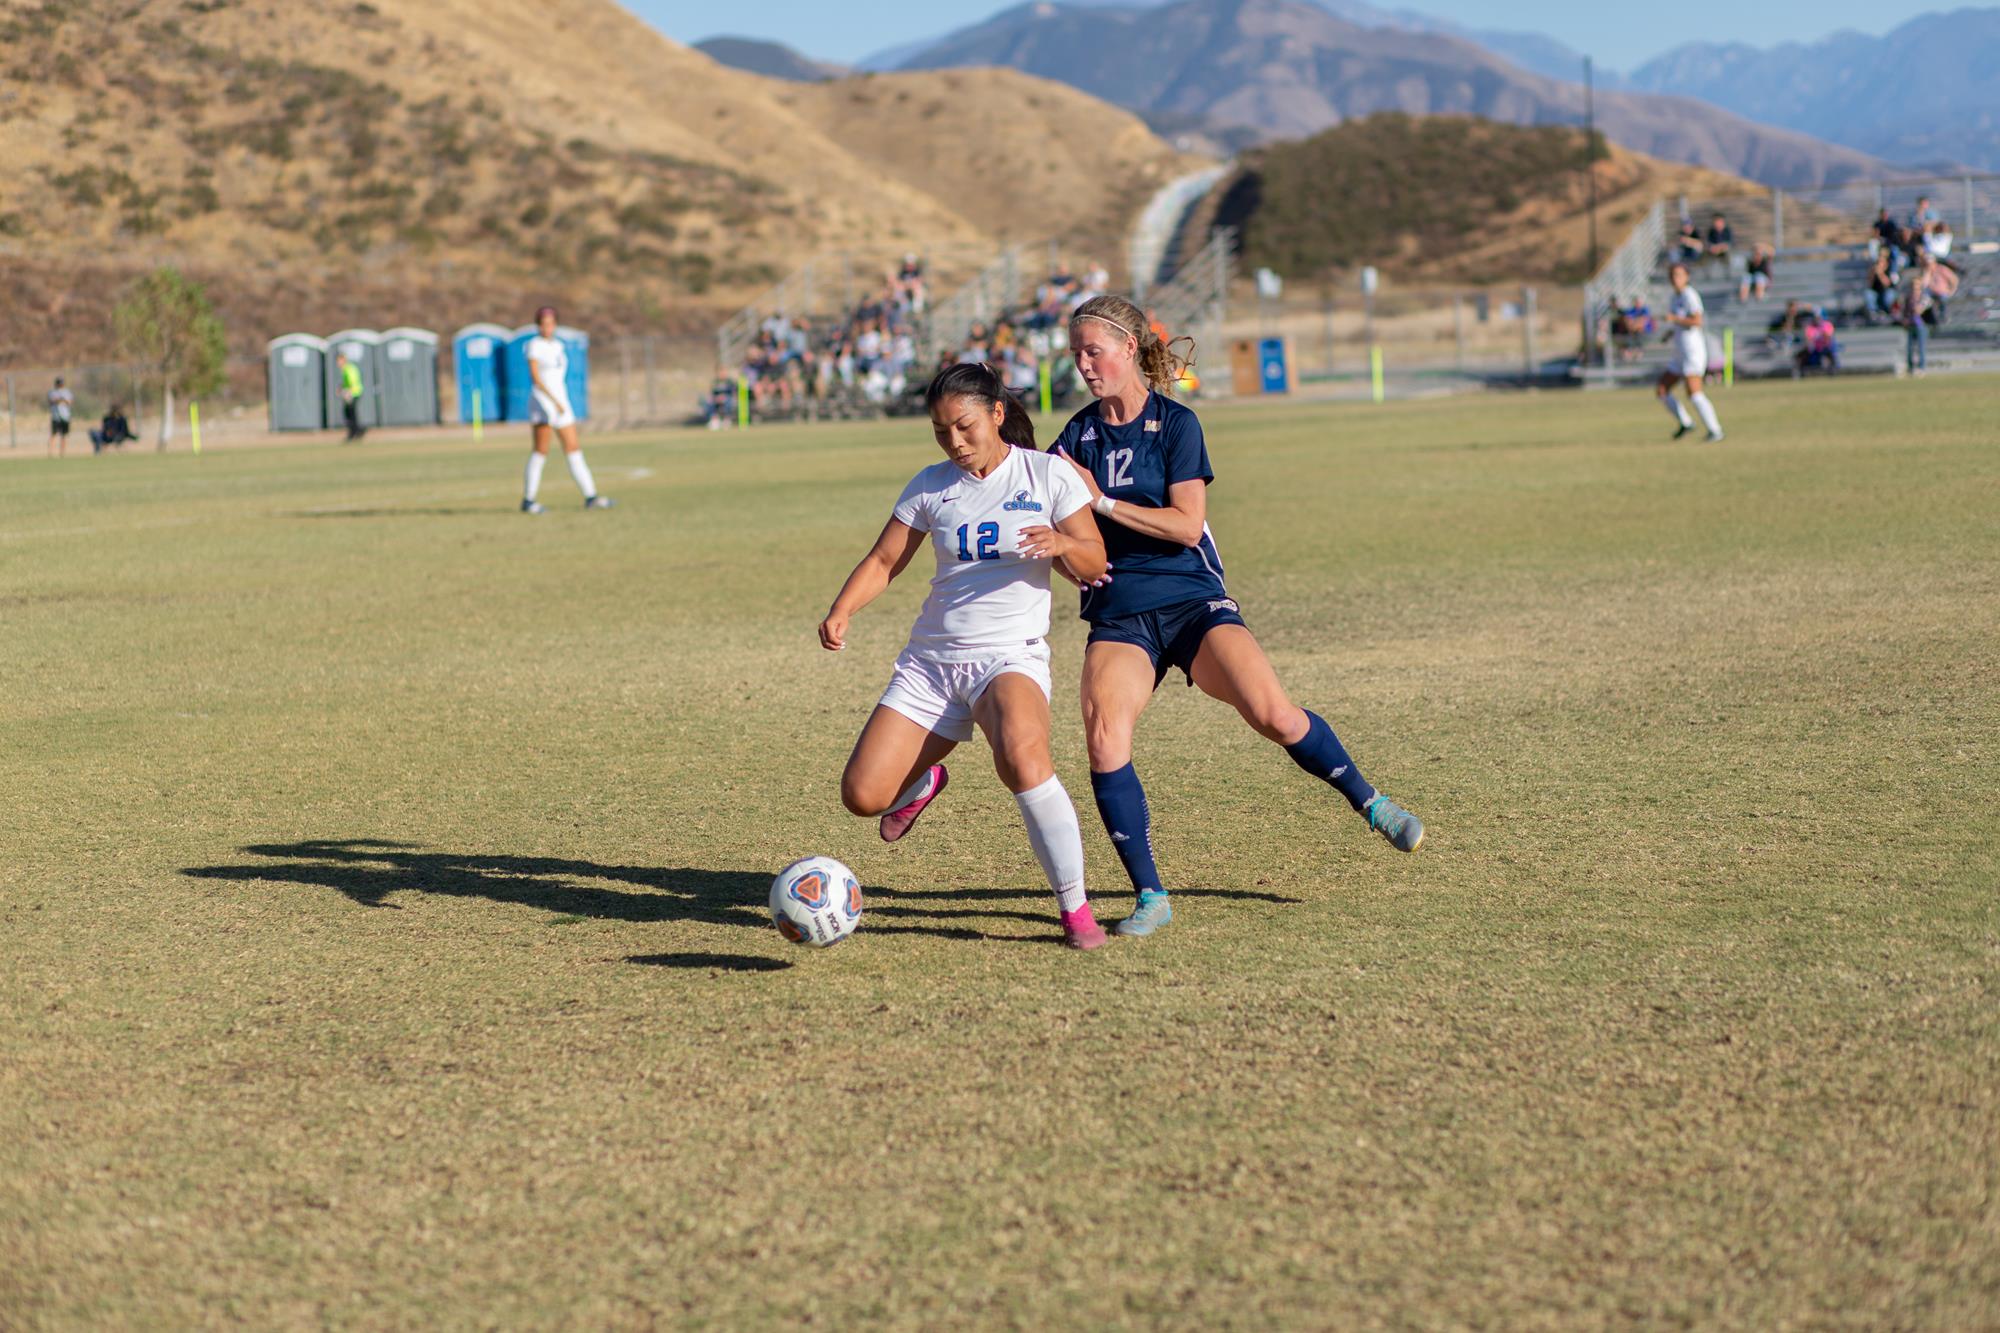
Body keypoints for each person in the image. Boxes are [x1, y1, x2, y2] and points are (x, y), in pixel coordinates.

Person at [1044, 294, 1424, 938]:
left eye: (1093, 351)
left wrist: (1102, 503)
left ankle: (1371, 801)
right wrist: (1073, 560)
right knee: (1105, 739)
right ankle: (1150, 897)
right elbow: (1057, 534)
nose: (1082, 364)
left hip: (1192, 600)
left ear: (1129, 348)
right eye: (1076, 352)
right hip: (1120, 614)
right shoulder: (1073, 437)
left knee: (1274, 713)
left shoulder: (1178, 424)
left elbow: (1187, 525)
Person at [818, 362, 1111, 950]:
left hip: (1008, 658)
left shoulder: (1048, 476)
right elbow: (883, 562)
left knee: (1024, 759)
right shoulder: (930, 486)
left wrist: (1063, 543)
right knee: (863, 796)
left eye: (964, 426)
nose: (954, 441)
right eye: (940, 431)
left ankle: (1075, 909)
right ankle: (922, 783)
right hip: (929, 665)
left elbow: (1097, 563)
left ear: (997, 414)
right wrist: (843, 609)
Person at [519, 306, 612, 513]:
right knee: (541, 451)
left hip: (561, 403)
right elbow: (536, 378)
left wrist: (562, 401)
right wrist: (553, 402)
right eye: (543, 324)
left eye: (551, 323)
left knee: (573, 449)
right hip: (543, 403)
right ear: (538, 325)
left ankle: (591, 496)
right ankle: (529, 500)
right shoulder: (534, 345)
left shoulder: (558, 346)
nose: (547, 327)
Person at [1656, 262, 1724, 443]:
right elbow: (1678, 323)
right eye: (1672, 275)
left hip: (1693, 351)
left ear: (1686, 277)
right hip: (1680, 352)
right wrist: (1669, 333)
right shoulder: (1674, 297)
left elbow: (1697, 321)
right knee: (1662, 389)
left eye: (1678, 275)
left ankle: (1715, 430)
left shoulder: (1689, 295)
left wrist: (1674, 319)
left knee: (1694, 393)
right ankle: (1686, 423)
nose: (1674, 279)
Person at [1899, 267, 1934, 376]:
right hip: (1910, 325)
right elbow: (1904, 311)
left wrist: (1920, 308)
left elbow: (1923, 309)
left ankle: (1921, 368)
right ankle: (1910, 368)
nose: (1915, 287)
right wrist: (1904, 319)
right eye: (1913, 285)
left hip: (1921, 325)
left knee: (1921, 348)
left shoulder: (1924, 297)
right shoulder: (1908, 298)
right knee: (1909, 348)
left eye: (1917, 285)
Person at [335, 351, 366, 442]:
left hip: (354, 393)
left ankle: (355, 432)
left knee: (350, 413)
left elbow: (353, 382)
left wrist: (349, 392)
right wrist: (340, 388)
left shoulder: (349, 369)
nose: (338, 363)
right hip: (351, 393)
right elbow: (346, 382)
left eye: (339, 361)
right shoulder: (345, 369)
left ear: (343, 360)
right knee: (349, 413)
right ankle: (357, 431)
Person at [46, 377, 73, 457]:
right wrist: (59, 400)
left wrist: (62, 400)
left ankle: (62, 453)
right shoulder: (52, 392)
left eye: (61, 383)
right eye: (59, 383)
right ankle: (50, 453)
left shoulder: (67, 392)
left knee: (64, 435)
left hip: (65, 416)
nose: (60, 385)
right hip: (56, 416)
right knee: (53, 435)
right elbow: (52, 401)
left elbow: (69, 401)